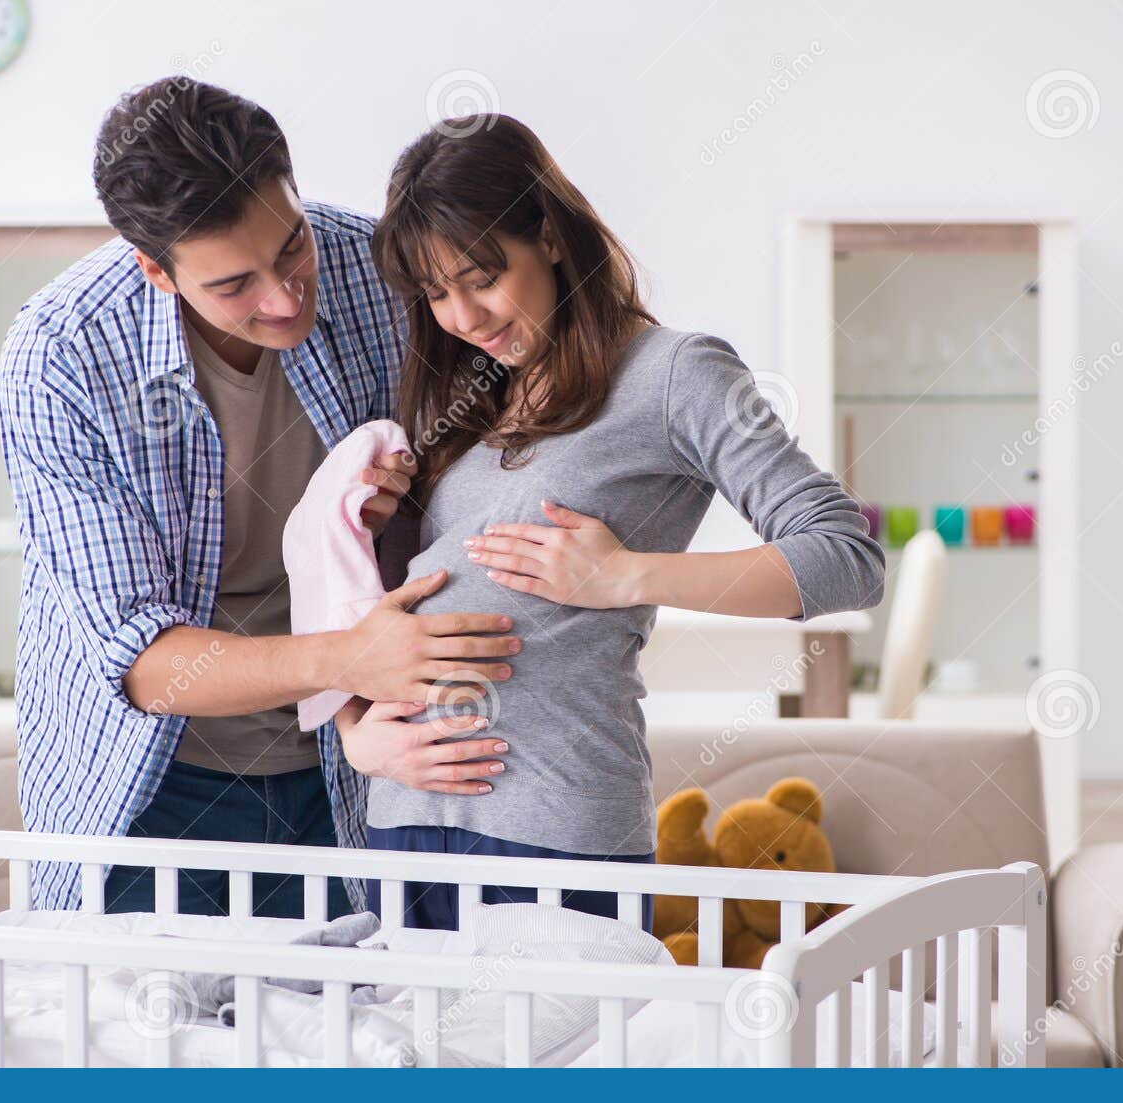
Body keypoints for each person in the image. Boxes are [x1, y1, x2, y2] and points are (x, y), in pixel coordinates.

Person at [337, 115, 886, 931]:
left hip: (554, 831)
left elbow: (847, 557)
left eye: (481, 277)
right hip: (403, 816)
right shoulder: (471, 392)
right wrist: (356, 737)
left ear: (551, 236)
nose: (462, 315)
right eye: (435, 294)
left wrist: (625, 574)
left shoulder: (675, 373)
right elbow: (391, 603)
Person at [0, 78, 518, 917]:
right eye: (235, 284)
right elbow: (142, 660)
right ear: (155, 270)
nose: (283, 299)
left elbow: (494, 452)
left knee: (358, 1035)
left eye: (291, 247)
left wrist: (403, 503)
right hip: (154, 786)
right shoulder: (63, 356)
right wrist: (350, 658)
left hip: (355, 764)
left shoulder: (377, 271)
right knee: (156, 1043)